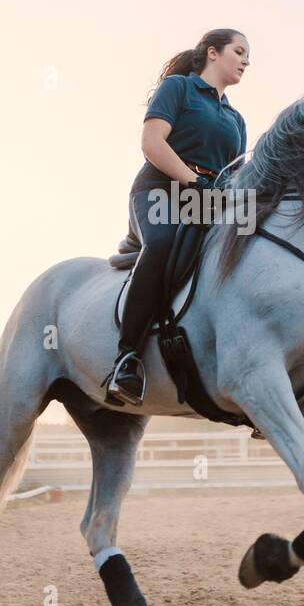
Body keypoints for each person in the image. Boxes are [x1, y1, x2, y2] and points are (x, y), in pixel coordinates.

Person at [102, 28, 250, 406]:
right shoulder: (179, 89)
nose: (246, 60)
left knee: (254, 248)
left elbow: (235, 176)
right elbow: (152, 143)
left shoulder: (237, 119)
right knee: (165, 241)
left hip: (210, 200)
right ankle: (127, 358)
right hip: (160, 189)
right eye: (240, 51)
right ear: (213, 53)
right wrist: (192, 180)